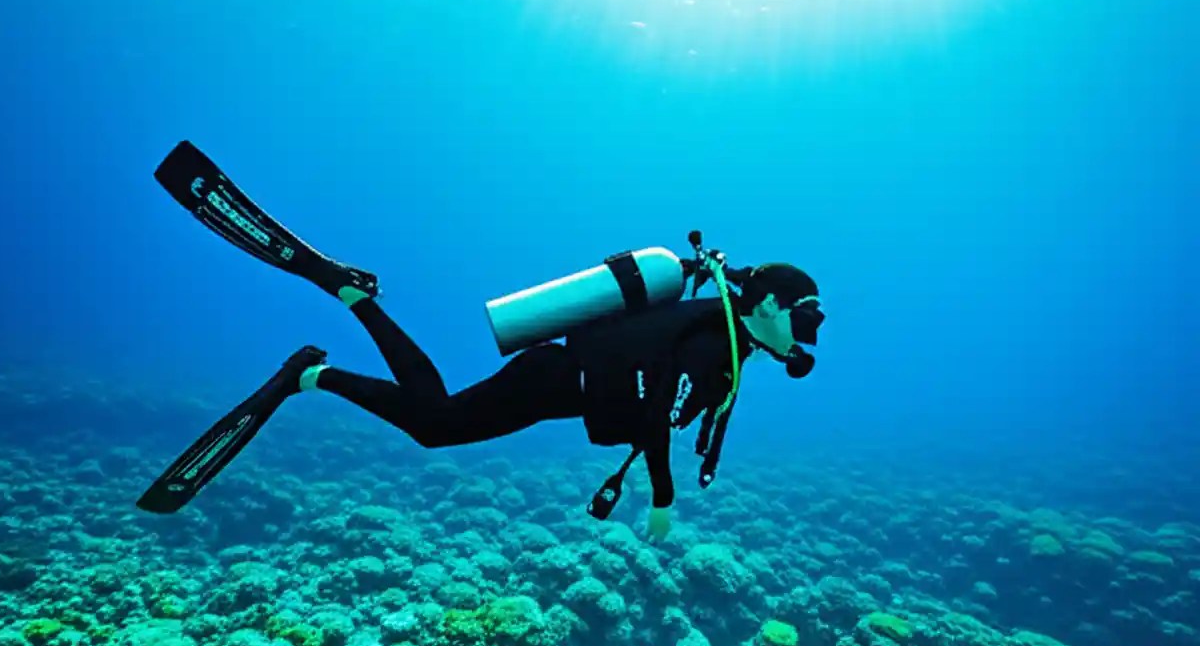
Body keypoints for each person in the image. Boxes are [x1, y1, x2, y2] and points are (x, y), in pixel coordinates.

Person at [136, 142, 826, 542]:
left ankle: (321, 354)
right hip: (550, 381)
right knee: (436, 423)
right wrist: (664, 499)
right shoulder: (712, 343)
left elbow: (663, 407)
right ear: (766, 305)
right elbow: (653, 413)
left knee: (437, 420)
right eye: (805, 318)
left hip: (556, 383)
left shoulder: (725, 343)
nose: (809, 335)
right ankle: (333, 327)